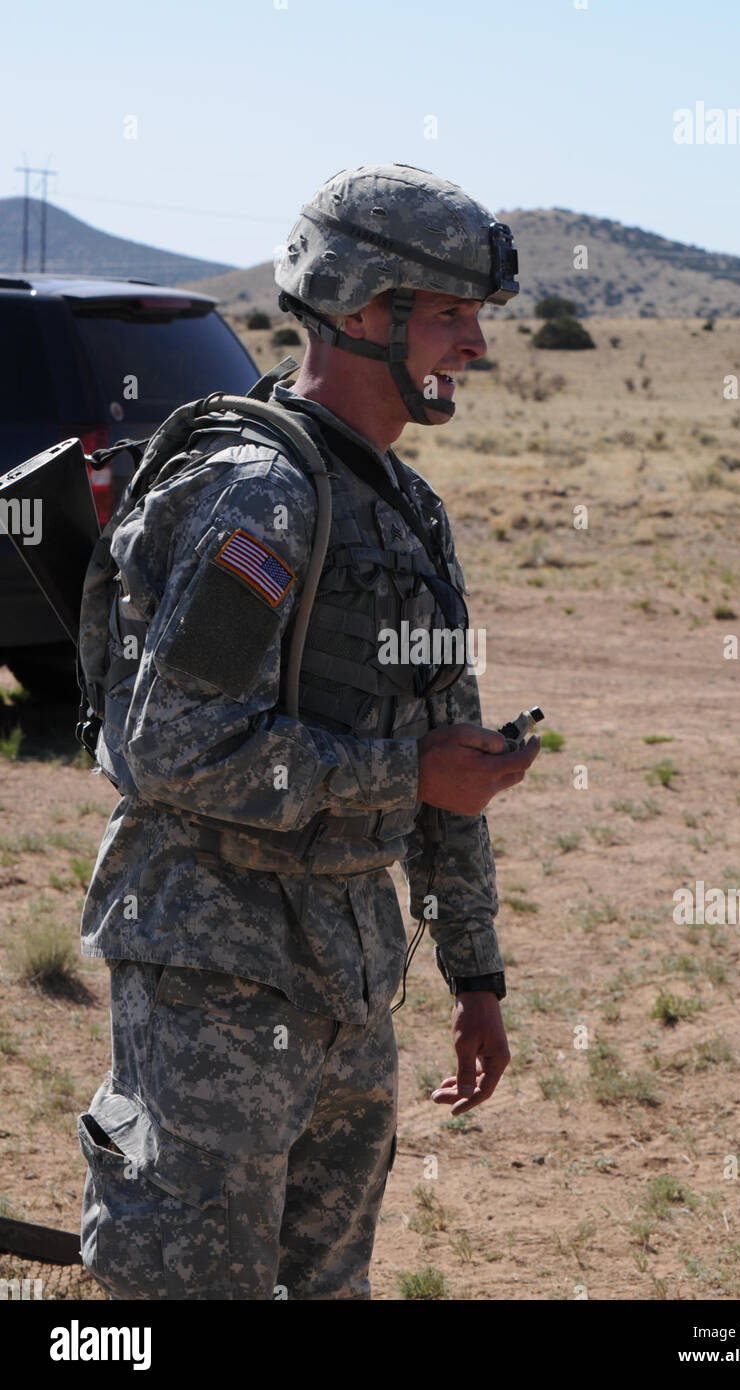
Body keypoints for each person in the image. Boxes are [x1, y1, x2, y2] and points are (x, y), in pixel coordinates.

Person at [76, 162, 540, 1301]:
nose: (474, 345)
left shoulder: (404, 508)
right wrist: (407, 770)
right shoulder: (258, 496)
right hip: (210, 979)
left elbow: (448, 753)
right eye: (449, 315)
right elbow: (170, 748)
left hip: (346, 981)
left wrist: (473, 973)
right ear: (359, 312)